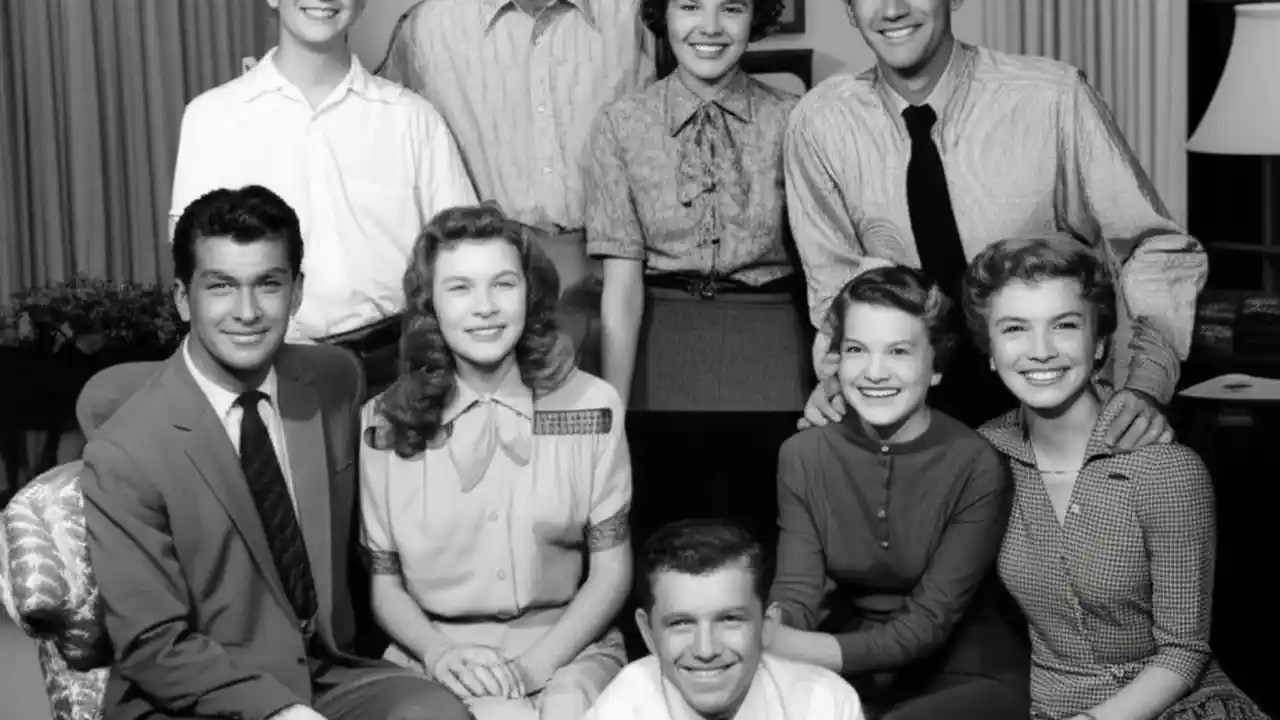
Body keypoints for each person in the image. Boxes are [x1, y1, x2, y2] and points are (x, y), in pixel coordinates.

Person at [81, 185, 471, 720]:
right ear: (180, 298)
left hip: (323, 672)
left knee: (436, 714)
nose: (247, 312)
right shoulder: (125, 450)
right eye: (220, 286)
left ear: (297, 292)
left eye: (268, 284)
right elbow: (153, 646)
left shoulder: (334, 382)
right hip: (191, 697)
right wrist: (280, 713)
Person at [788, 0, 1207, 439]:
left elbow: (1154, 245)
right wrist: (843, 378)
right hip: (906, 414)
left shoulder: (1052, 96)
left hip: (1053, 404)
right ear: (850, 9)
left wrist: (1145, 386)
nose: (892, 9)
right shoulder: (820, 122)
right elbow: (835, 284)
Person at [964, 235, 1268, 720]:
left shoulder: (1164, 469)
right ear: (990, 349)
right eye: (1015, 328)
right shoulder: (977, 458)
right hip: (1048, 707)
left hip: (1177, 706)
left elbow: (1184, 652)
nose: (1040, 351)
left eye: (1064, 325)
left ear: (1100, 340)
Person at [359, 204, 632, 720]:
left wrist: (530, 673)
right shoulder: (383, 421)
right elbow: (385, 587)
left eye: (503, 284)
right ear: (430, 303)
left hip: (569, 648)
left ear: (529, 293)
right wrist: (442, 655)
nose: (485, 306)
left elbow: (612, 573)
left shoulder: (592, 407)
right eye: (460, 288)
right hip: (434, 655)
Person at [582, 0, 806, 542]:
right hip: (662, 351)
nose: (709, 27)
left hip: (772, 351)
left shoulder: (799, 117)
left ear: (758, 18)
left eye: (731, 8)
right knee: (666, 537)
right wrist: (615, 412)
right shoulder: (621, 125)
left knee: (766, 536)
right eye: (689, 6)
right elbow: (622, 286)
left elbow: (821, 265)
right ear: (663, 15)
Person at [170, 0, 477, 395]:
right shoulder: (214, 117)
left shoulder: (412, 119)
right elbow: (196, 263)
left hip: (398, 367)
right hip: (268, 368)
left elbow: (464, 255)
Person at [765, 266, 1028, 719]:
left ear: (937, 366)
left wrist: (790, 648)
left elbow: (928, 625)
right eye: (856, 350)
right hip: (848, 661)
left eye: (899, 351)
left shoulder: (975, 462)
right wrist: (771, 631)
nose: (874, 372)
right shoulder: (802, 455)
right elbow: (797, 592)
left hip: (962, 669)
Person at [378, 0, 656, 371]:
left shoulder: (633, 16)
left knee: (614, 424)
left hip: (625, 288)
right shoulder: (425, 30)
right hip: (485, 302)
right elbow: (383, 160)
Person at [585, 518, 865, 719]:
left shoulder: (824, 705)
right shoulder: (622, 707)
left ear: (767, 626)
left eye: (730, 619)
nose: (706, 650)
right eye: (681, 623)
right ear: (647, 633)